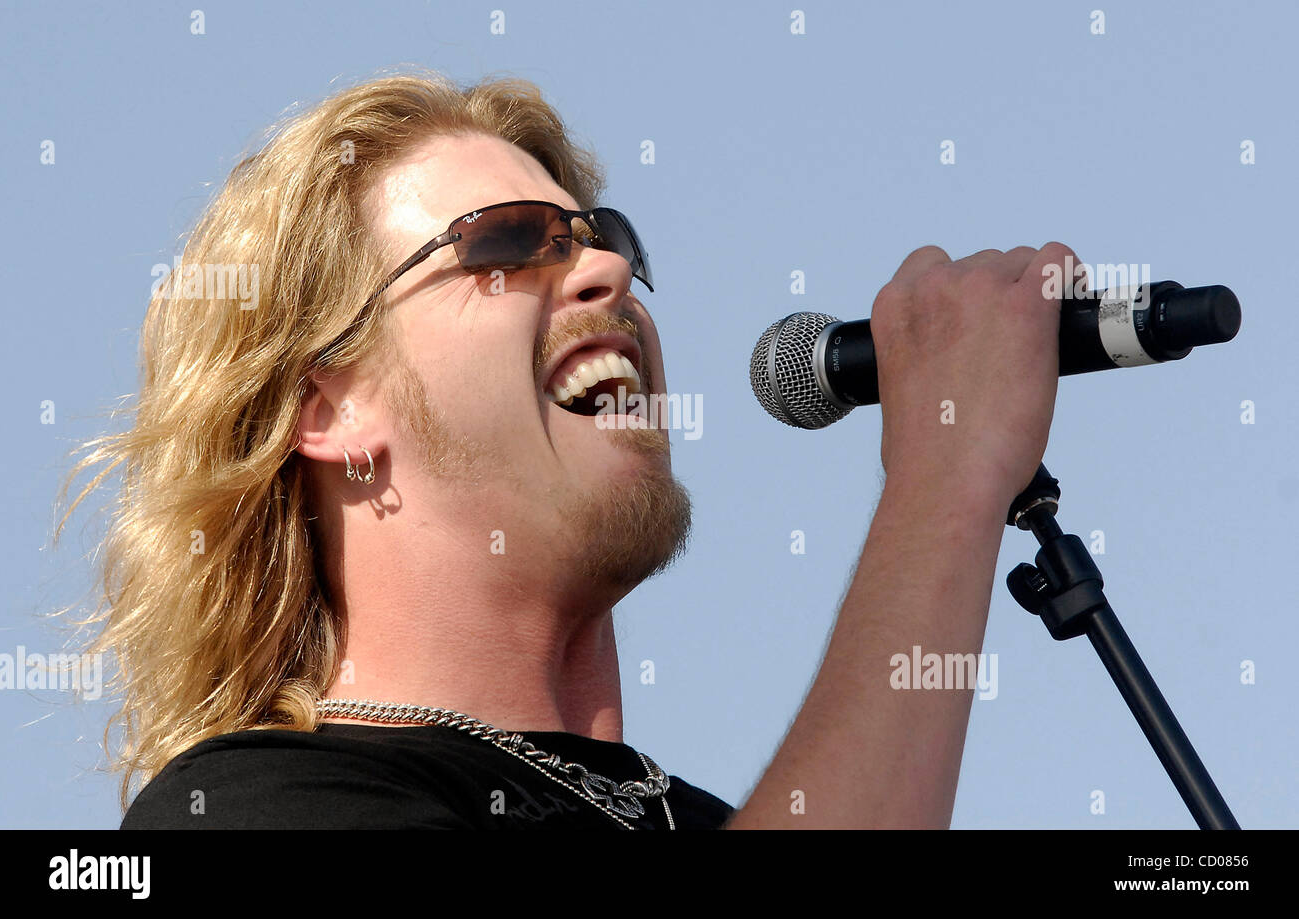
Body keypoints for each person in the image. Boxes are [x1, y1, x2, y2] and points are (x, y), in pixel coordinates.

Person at [60, 69, 1067, 829]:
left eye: (603, 233)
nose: (605, 267)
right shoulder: (246, 808)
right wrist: (947, 475)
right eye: (506, 242)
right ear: (327, 407)